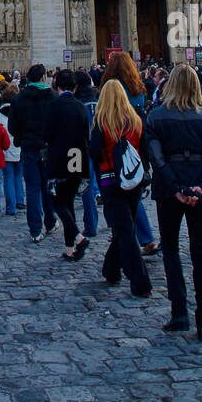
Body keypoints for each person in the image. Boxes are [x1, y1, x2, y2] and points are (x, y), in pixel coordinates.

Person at [146, 65, 202, 340]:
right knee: (201, 254)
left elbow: (156, 158)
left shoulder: (156, 116)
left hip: (170, 190)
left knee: (170, 250)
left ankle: (179, 312)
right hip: (199, 189)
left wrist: (176, 188)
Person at [89, 80, 152, 298]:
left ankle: (141, 282)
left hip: (110, 181)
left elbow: (94, 152)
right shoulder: (136, 120)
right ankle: (112, 271)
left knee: (124, 231)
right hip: (133, 182)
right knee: (125, 227)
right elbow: (145, 151)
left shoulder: (101, 122)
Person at [100, 52, 159, 256]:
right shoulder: (138, 88)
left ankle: (131, 237)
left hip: (116, 147)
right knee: (132, 191)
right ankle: (141, 237)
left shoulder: (114, 88)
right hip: (136, 145)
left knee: (119, 194)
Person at [7, 64, 58, 244]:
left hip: (28, 148)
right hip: (47, 149)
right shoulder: (53, 97)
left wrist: (22, 137)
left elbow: (12, 127)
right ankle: (50, 222)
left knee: (33, 189)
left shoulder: (19, 98)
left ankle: (35, 231)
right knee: (48, 187)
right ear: (44, 78)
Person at [44, 69, 90, 261]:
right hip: (77, 156)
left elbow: (46, 134)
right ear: (75, 86)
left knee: (58, 202)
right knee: (69, 200)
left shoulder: (53, 106)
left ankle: (78, 237)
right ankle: (70, 247)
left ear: (56, 85)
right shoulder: (80, 106)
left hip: (60, 157)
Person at [74, 72, 100, 238]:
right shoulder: (99, 102)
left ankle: (90, 225)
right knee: (107, 182)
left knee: (86, 187)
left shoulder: (77, 104)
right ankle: (112, 221)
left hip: (83, 149)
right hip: (102, 146)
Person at [0, 89, 24, 216]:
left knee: (8, 177)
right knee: (18, 176)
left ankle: (11, 207)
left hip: (5, 150)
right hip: (19, 148)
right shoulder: (21, 113)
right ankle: (20, 200)